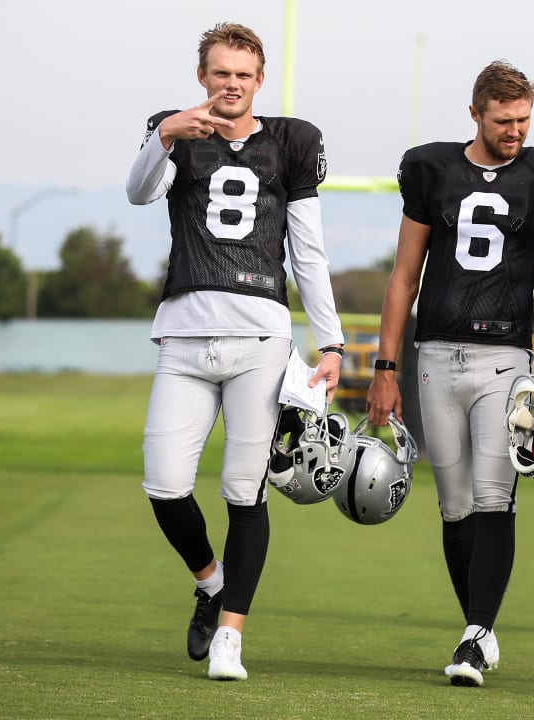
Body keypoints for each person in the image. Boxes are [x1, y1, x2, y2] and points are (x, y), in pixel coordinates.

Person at [126, 22, 345, 682]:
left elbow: (307, 250)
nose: (231, 84)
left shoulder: (291, 143)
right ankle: (211, 580)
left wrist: (330, 339)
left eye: (243, 74)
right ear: (203, 77)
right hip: (185, 333)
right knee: (164, 484)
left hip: (260, 337)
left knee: (242, 491)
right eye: (220, 73)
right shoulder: (176, 132)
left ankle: (230, 636)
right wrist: (164, 135)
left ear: (258, 79)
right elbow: (137, 193)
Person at [365, 60, 534, 688]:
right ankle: (479, 631)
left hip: (504, 359)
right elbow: (405, 277)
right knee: (455, 507)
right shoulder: (433, 169)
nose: (515, 131)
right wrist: (385, 365)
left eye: (523, 120)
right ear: (475, 114)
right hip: (433, 354)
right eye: (503, 120)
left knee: (494, 496)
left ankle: (474, 634)